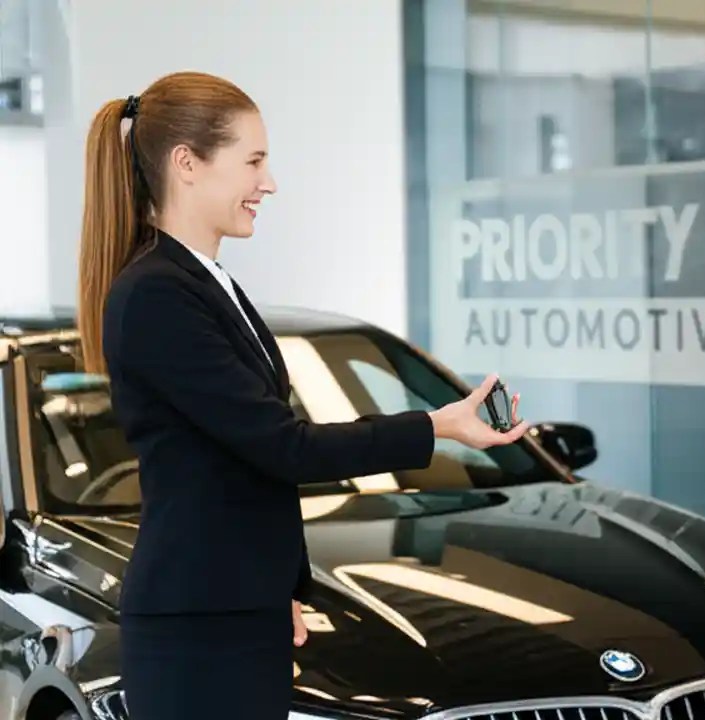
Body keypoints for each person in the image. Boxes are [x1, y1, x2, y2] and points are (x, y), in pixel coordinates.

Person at [76, 71, 529, 720]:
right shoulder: (156, 294)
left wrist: (276, 588)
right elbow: (283, 447)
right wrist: (438, 427)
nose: (270, 182)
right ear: (187, 165)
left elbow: (234, 465)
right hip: (198, 631)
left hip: (234, 610)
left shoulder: (205, 283)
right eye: (254, 161)